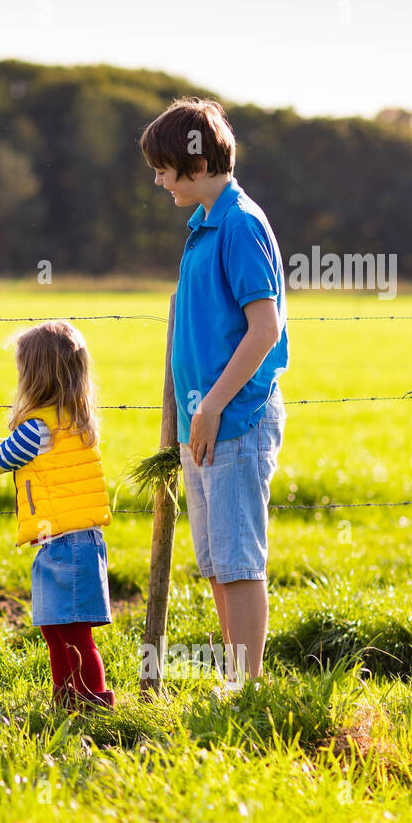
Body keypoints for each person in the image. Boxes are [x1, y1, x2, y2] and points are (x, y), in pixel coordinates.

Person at [139, 97, 290, 691]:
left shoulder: (240, 224)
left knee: (239, 561)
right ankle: (234, 681)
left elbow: (265, 329)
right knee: (216, 565)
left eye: (164, 168)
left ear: (196, 166)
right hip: (203, 423)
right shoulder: (203, 227)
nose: (157, 179)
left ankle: (247, 690)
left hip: (234, 416)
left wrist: (210, 406)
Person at [0, 321, 116, 711]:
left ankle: (89, 703)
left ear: (35, 376)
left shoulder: (39, 426)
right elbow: (9, 445)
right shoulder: (65, 420)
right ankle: (74, 700)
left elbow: (2, 458)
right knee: (62, 630)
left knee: (69, 632)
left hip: (65, 544)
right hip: (74, 541)